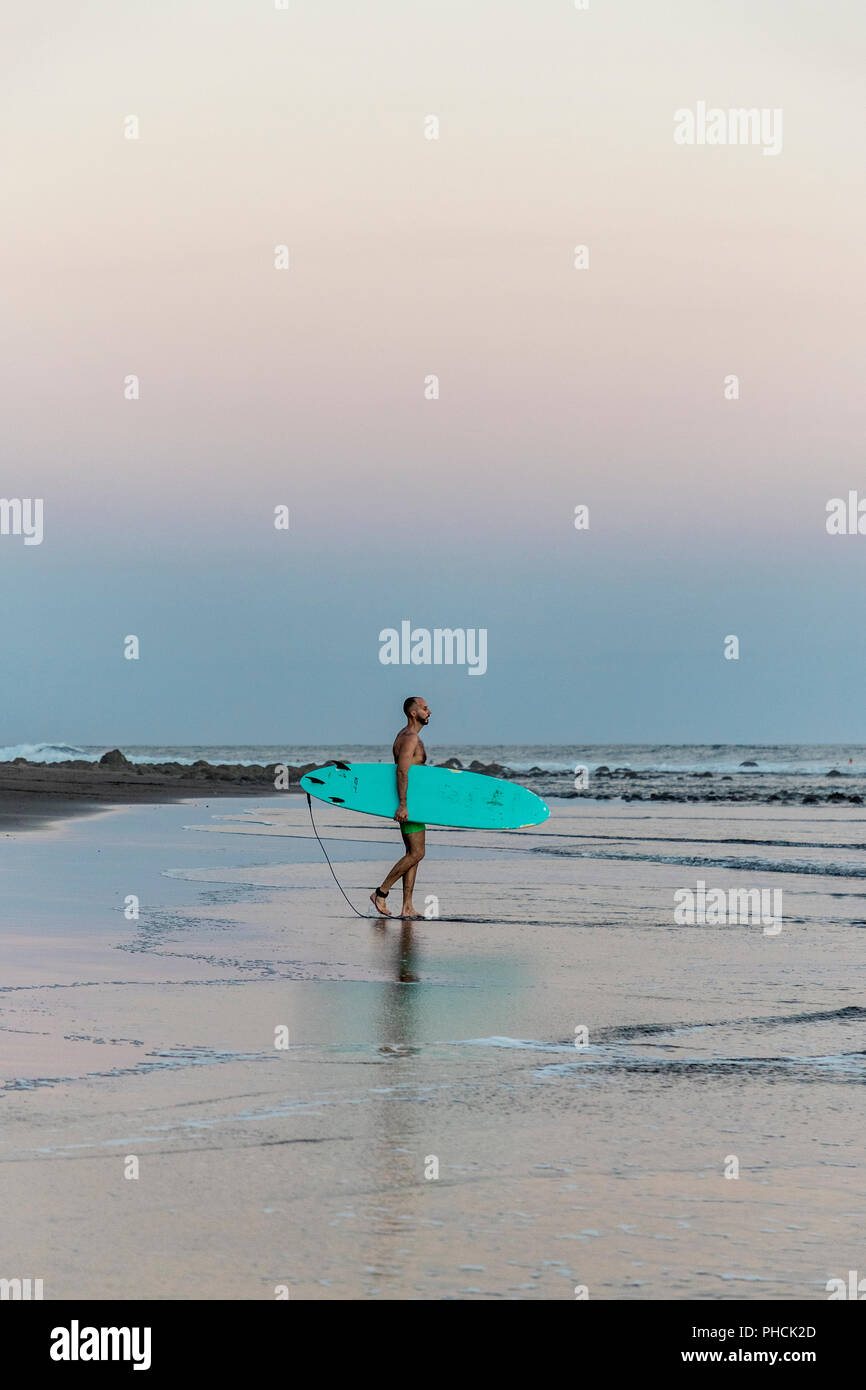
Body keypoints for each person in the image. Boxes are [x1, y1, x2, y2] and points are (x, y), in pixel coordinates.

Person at [370, 696, 431, 919]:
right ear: (413, 713)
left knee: (413, 854)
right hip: (409, 804)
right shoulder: (410, 738)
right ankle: (381, 892)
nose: (429, 711)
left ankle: (407, 906)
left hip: (414, 803)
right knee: (418, 852)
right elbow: (402, 771)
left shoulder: (406, 736)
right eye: (425, 708)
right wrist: (403, 804)